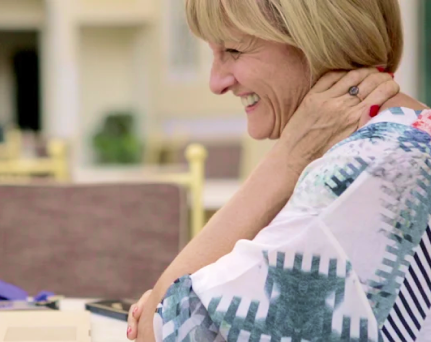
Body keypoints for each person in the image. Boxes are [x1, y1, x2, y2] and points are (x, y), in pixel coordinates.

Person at [127, 0, 431, 341]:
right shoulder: (408, 138)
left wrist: (288, 158)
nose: (217, 82)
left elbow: (159, 330)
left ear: (321, 41)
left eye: (233, 50)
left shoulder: (359, 172)